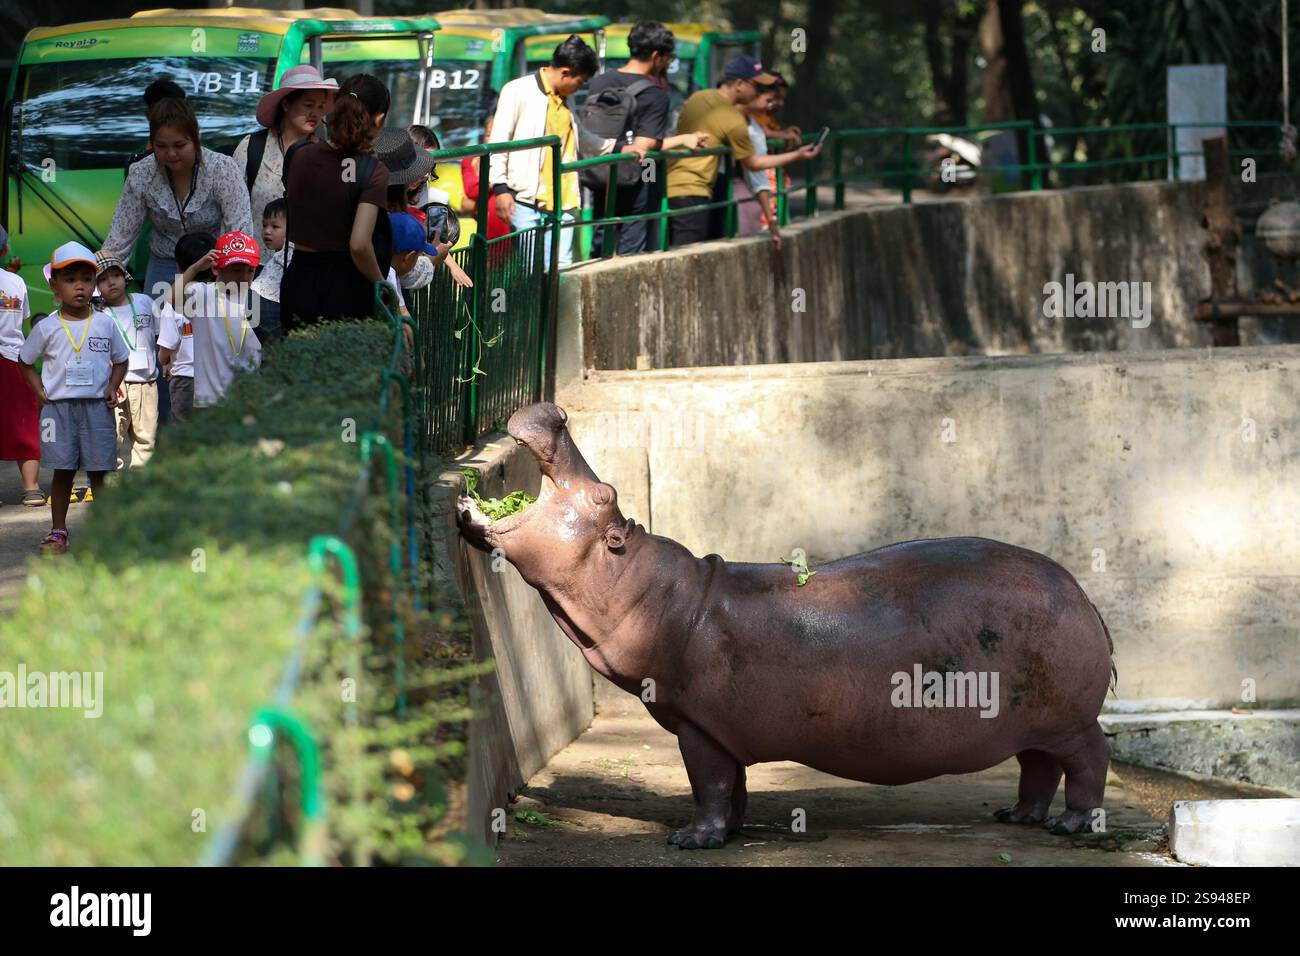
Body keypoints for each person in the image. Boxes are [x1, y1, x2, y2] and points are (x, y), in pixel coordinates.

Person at [18, 242, 128, 554]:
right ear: (54, 286)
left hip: (96, 408)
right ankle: (58, 531)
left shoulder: (105, 323)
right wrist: (39, 391)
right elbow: (25, 360)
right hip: (59, 410)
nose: (79, 286)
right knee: (63, 470)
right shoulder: (48, 327)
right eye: (70, 280)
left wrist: (113, 385)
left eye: (86, 278)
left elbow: (121, 359)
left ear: (95, 284)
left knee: (100, 471)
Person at [102, 96, 253, 305]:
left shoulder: (223, 168)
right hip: (164, 264)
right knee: (159, 327)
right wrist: (98, 278)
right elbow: (120, 236)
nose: (171, 154)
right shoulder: (141, 174)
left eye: (180, 145)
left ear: (196, 138)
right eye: (161, 146)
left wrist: (228, 274)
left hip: (215, 266)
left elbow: (239, 231)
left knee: (213, 329)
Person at [666, 56, 821, 248]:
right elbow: (753, 163)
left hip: (670, 185)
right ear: (739, 84)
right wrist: (798, 155)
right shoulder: (733, 119)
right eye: (756, 86)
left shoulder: (698, 97)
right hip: (694, 190)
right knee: (688, 257)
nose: (758, 92)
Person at [582, 21, 708, 256]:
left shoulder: (600, 82)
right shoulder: (655, 94)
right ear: (655, 55)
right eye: (668, 58)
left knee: (603, 232)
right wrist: (683, 140)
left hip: (600, 173)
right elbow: (644, 145)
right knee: (635, 237)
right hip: (638, 175)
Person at [488, 35, 611, 269]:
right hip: (525, 198)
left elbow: (581, 137)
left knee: (562, 267)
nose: (580, 87)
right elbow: (499, 142)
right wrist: (501, 189)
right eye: (580, 81)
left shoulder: (565, 99)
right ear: (566, 72)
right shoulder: (517, 91)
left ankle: (557, 308)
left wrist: (621, 147)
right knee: (533, 272)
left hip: (563, 198)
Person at [281, 73, 392, 331]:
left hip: (298, 278)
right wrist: (381, 286)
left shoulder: (298, 154)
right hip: (346, 287)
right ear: (378, 119)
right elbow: (359, 244)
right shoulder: (373, 170)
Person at [232, 65, 338, 229]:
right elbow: (233, 211)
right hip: (255, 253)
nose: (315, 113)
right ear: (286, 104)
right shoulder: (252, 147)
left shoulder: (326, 154)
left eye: (320, 107)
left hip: (305, 253)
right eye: (308, 105)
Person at [168, 231, 262, 409]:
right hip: (209, 400)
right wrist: (195, 268)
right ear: (216, 268)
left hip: (247, 400)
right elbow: (172, 299)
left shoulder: (258, 299)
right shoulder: (204, 294)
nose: (243, 277)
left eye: (250, 270)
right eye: (236, 270)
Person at [94, 253, 160, 469]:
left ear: (125, 277)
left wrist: (168, 362)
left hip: (146, 383)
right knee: (112, 436)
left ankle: (142, 483)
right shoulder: (98, 315)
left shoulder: (145, 301)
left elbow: (161, 336)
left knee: (146, 437)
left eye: (115, 275)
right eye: (102, 279)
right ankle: (109, 480)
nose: (111, 282)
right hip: (114, 385)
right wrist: (113, 380)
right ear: (96, 286)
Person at [0, 224, 42, 506]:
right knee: (24, 423)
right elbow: (22, 318)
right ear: (4, 250)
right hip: (13, 359)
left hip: (10, 358)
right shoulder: (16, 283)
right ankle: (31, 489)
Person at [157, 232, 209, 424]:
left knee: (185, 433)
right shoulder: (219, 296)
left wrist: (165, 361)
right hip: (214, 378)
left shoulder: (173, 305)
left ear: (179, 267)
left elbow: (165, 350)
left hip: (184, 380)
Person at [460, 106, 511, 241]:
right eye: (489, 135)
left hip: (508, 229)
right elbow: (472, 190)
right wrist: (498, 181)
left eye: (497, 135)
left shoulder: (513, 160)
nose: (492, 139)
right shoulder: (470, 159)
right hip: (484, 233)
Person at [124, 78, 188, 178]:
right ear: (148, 115)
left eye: (180, 145)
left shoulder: (210, 158)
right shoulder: (137, 162)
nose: (171, 154)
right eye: (160, 114)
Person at [250, 197, 288, 344]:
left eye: (275, 227)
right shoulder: (280, 253)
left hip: (269, 305)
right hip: (259, 302)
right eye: (264, 225)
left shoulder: (290, 249)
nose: (267, 231)